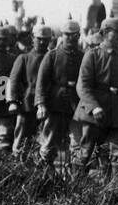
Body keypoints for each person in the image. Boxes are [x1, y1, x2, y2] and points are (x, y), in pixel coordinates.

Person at [72, 18, 118, 184]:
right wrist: (94, 107)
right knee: (85, 153)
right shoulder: (92, 56)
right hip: (93, 115)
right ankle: (75, 191)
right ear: (103, 34)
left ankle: (114, 195)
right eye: (114, 32)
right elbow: (83, 86)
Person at [35, 17, 84, 168]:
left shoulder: (83, 56)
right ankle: (44, 174)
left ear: (79, 36)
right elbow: (41, 82)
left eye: (74, 35)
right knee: (49, 142)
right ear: (61, 36)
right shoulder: (52, 56)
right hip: (55, 105)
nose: (70, 38)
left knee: (77, 143)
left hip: (76, 105)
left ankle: (74, 177)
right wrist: (41, 104)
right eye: (67, 34)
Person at [8, 22, 52, 161]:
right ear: (33, 38)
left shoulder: (53, 58)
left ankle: (42, 167)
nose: (42, 42)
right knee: (22, 136)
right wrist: (13, 101)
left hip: (49, 104)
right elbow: (13, 80)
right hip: (26, 104)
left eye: (46, 39)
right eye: (39, 38)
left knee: (46, 138)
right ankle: (17, 163)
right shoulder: (24, 58)